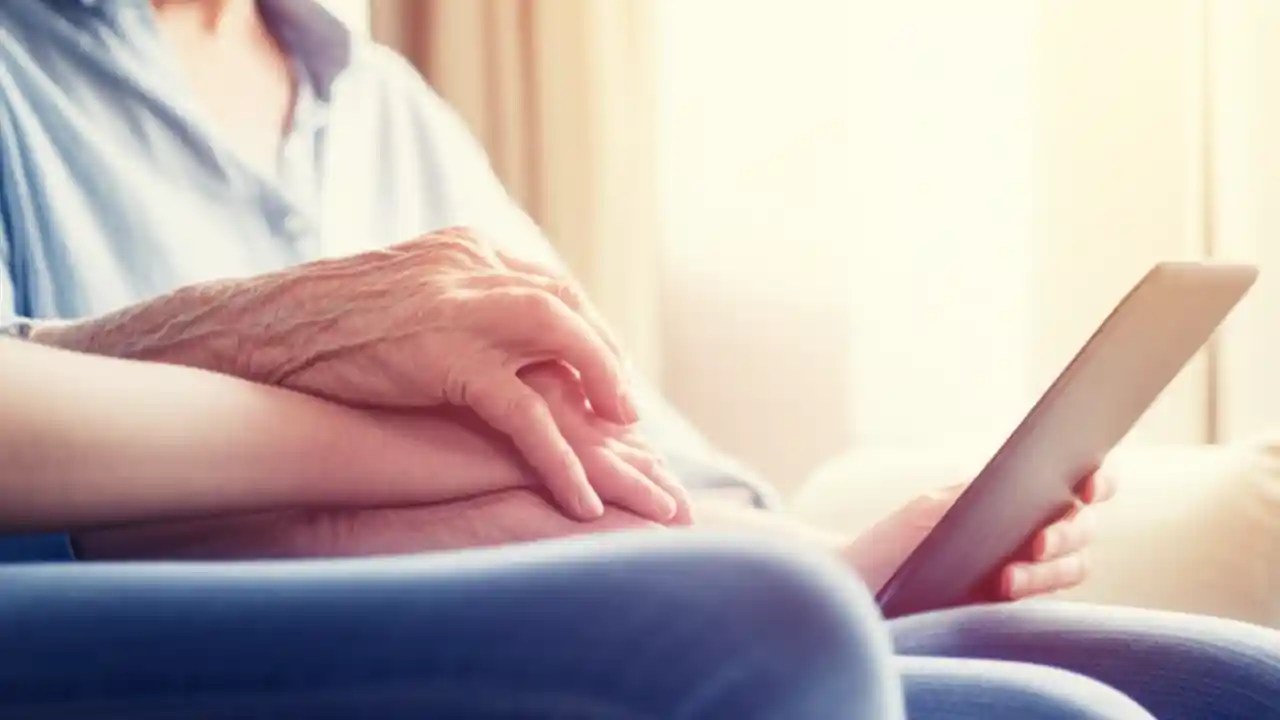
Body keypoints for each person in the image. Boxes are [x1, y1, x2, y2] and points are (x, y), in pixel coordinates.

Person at [1, 1, 1279, 717]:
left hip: (588, 573)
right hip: (114, 611)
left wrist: (836, 552)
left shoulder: (380, 98)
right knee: (786, 628)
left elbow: (643, 440)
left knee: (1222, 685)